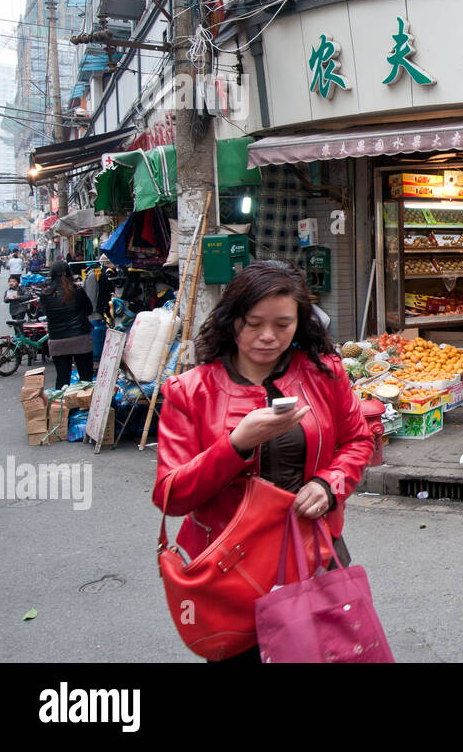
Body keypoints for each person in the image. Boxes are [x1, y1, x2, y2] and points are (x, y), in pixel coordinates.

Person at [151, 261, 375, 663]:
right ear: (231, 320)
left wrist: (329, 485)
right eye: (253, 324)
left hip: (315, 556)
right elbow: (171, 496)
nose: (268, 337)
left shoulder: (325, 375)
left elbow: (358, 439)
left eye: (283, 324)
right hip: (230, 570)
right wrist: (236, 444)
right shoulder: (189, 391)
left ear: (300, 324)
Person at [39, 261, 94, 390]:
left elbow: (46, 313)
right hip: (80, 338)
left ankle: (62, 408)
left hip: (58, 340)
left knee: (62, 379)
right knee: (85, 379)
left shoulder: (45, 295)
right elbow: (89, 310)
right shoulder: (78, 291)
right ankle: (84, 406)